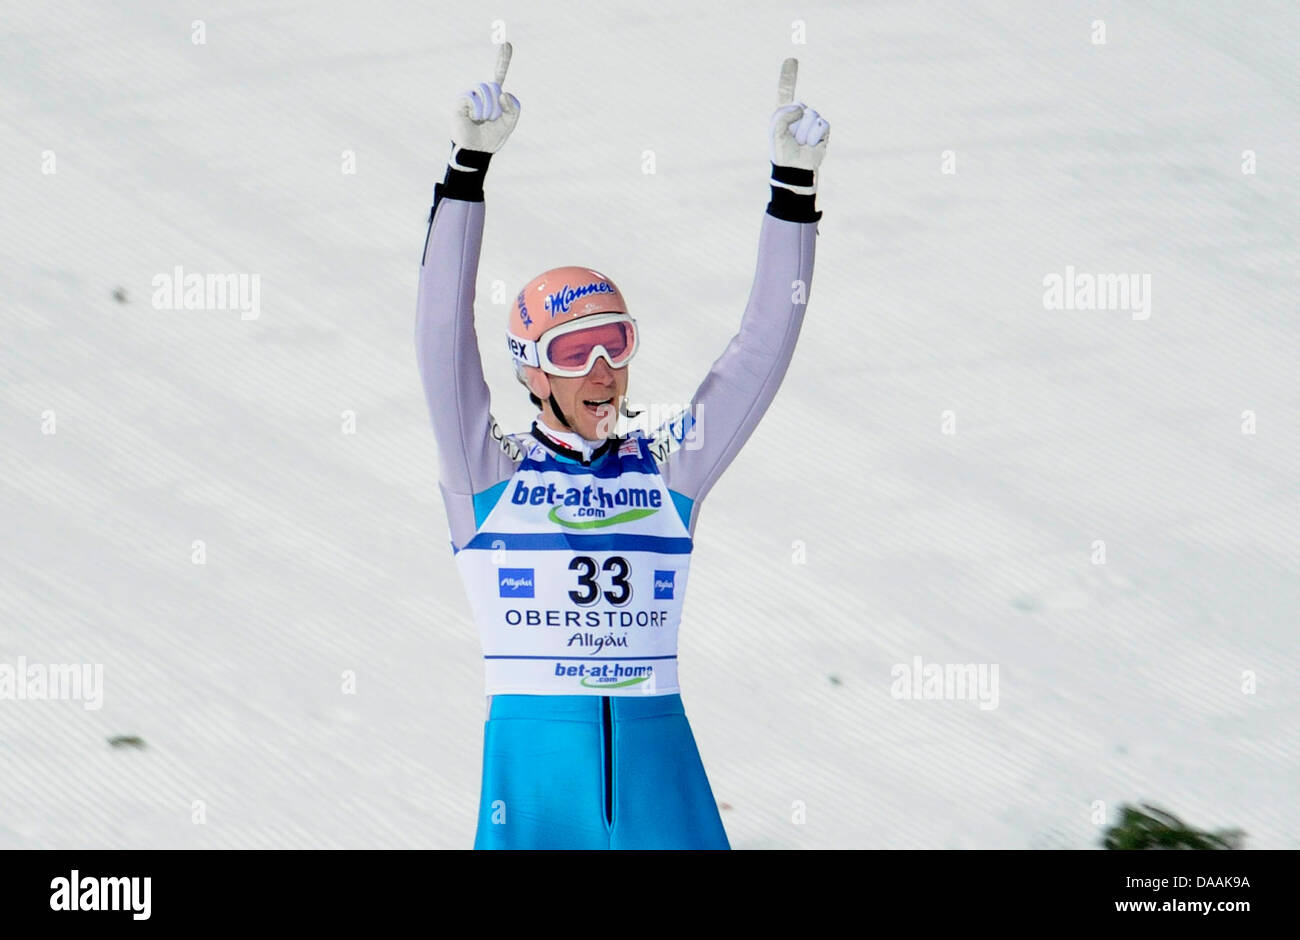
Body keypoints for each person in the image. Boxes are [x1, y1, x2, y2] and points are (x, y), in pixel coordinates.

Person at [415, 43, 828, 849]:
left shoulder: (667, 470)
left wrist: (794, 193)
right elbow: (440, 341)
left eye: (617, 343)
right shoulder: (488, 475)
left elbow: (760, 352)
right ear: (532, 372)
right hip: (535, 779)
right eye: (575, 352)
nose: (604, 370)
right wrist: (465, 173)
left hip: (656, 763)